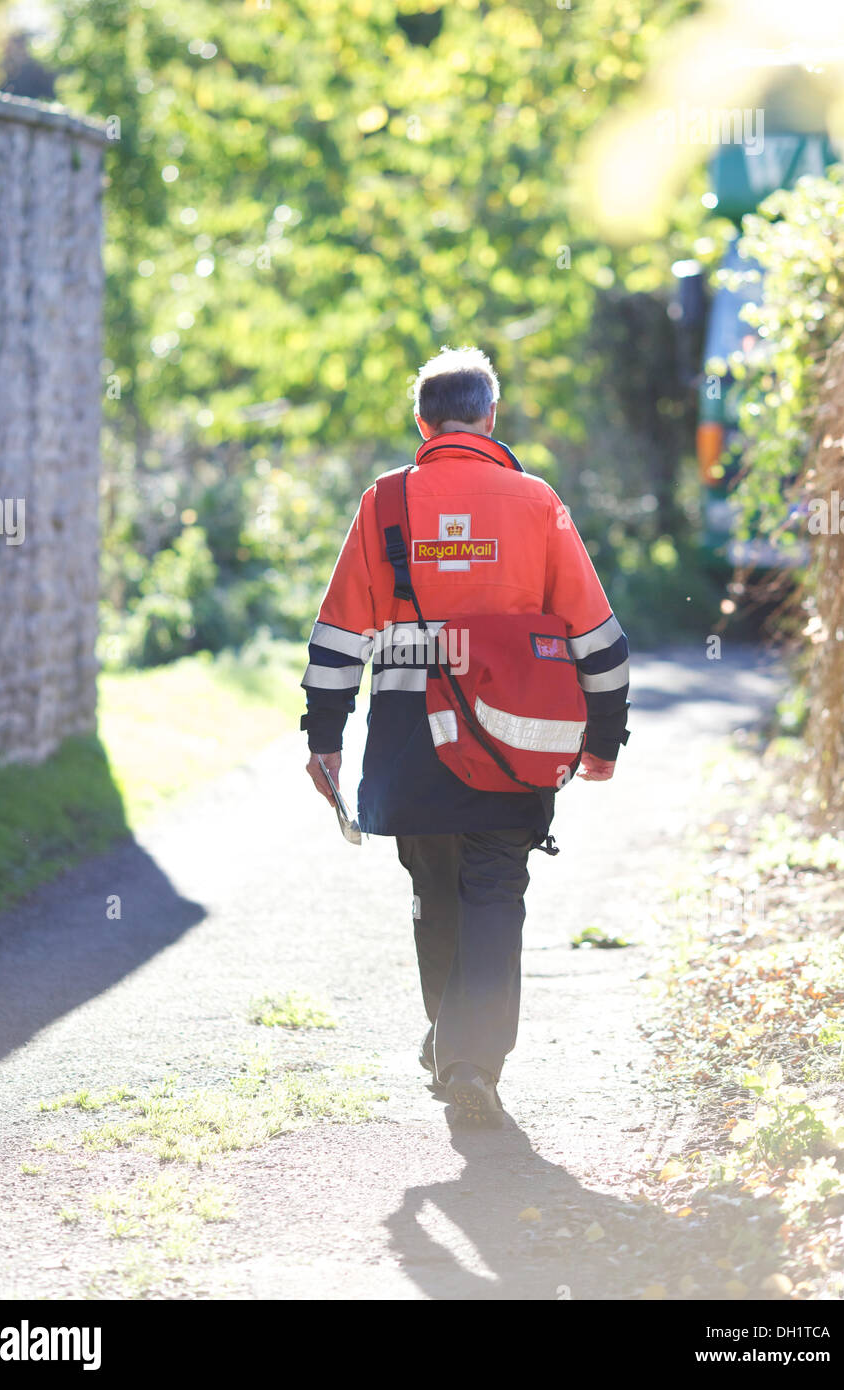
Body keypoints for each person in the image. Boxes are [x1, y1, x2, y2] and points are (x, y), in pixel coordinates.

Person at [301, 346, 629, 1124]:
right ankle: (470, 1058)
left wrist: (324, 736)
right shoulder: (536, 501)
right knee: (495, 886)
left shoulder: (384, 504)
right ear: (491, 416)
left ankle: (454, 1042)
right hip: (513, 741)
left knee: (433, 886)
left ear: (422, 423)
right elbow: (600, 640)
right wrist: (603, 742)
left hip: (412, 741)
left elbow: (339, 635)